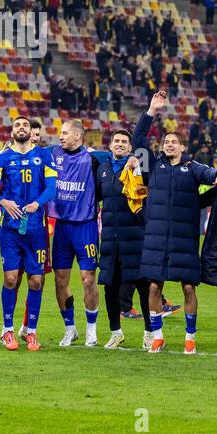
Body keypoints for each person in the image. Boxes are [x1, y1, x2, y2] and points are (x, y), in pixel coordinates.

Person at [131, 90, 217, 354]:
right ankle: (157, 336)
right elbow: (138, 139)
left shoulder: (191, 167)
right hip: (156, 240)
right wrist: (152, 110)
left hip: (184, 241)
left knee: (188, 287)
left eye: (174, 142)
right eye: (166, 141)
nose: (169, 144)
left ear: (182, 147)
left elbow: (208, 172)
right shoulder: (152, 167)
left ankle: (190, 338)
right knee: (154, 286)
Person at [0, 115, 57, 350]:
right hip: (10, 229)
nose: (21, 128)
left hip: (36, 229)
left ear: (31, 131)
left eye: (25, 125)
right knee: (10, 278)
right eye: (17, 125)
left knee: (36, 281)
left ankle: (31, 332)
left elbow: (51, 187)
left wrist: (38, 203)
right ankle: (7, 330)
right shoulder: (2, 158)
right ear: (11, 132)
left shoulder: (44, 156)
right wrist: (4, 202)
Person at [47, 119, 102, 347]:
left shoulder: (94, 158)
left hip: (85, 227)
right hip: (62, 227)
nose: (61, 136)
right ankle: (70, 329)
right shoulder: (53, 154)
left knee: (88, 280)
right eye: (60, 132)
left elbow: (118, 160)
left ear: (78, 136)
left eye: (65, 133)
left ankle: (91, 329)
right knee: (60, 280)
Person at [93, 128, 147, 349]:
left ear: (130, 147)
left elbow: (145, 196)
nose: (120, 144)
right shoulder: (103, 169)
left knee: (143, 286)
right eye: (116, 141)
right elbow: (96, 198)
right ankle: (116, 332)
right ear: (110, 145)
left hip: (134, 236)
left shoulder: (139, 168)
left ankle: (150, 333)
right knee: (110, 287)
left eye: (124, 142)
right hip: (109, 238)